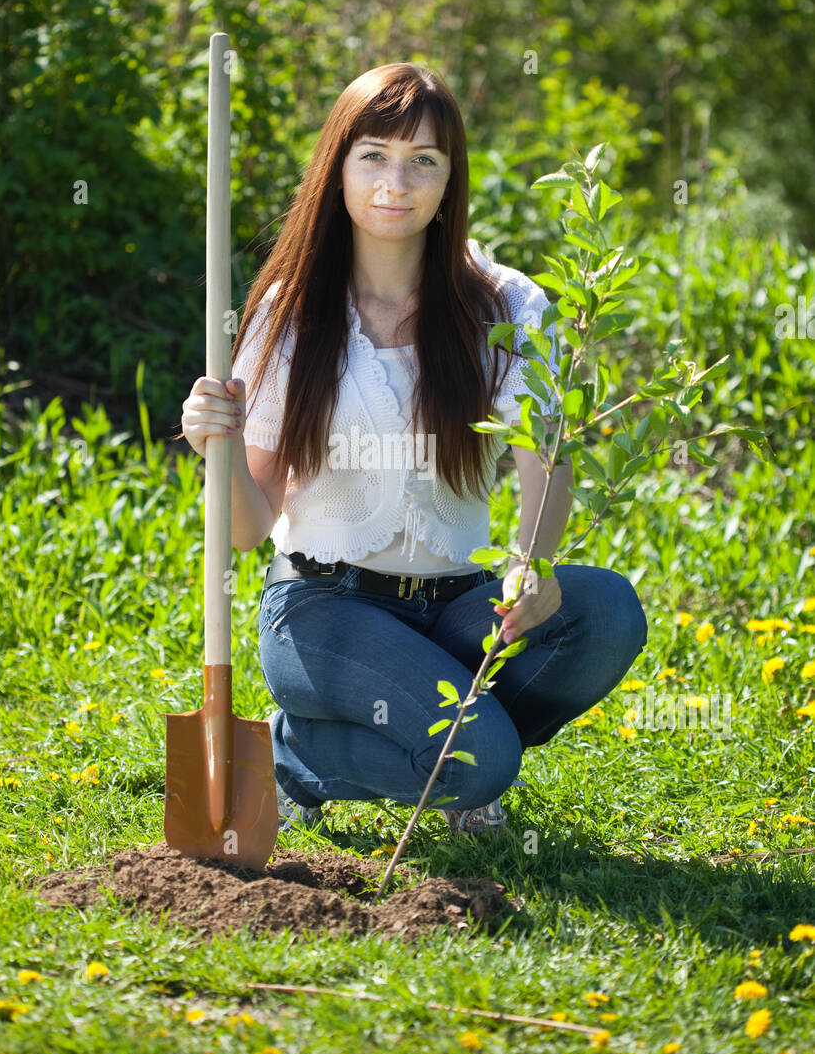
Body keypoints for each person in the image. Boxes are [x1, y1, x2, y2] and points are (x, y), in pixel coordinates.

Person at [179, 62, 648, 837]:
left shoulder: (505, 305)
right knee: (481, 763)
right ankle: (301, 755)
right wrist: (215, 449)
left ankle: (449, 743)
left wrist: (533, 560)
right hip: (326, 612)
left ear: (449, 180)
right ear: (338, 168)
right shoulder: (287, 314)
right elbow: (246, 527)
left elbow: (546, 458)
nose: (396, 181)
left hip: (460, 605)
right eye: (374, 155)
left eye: (423, 161)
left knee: (604, 613)